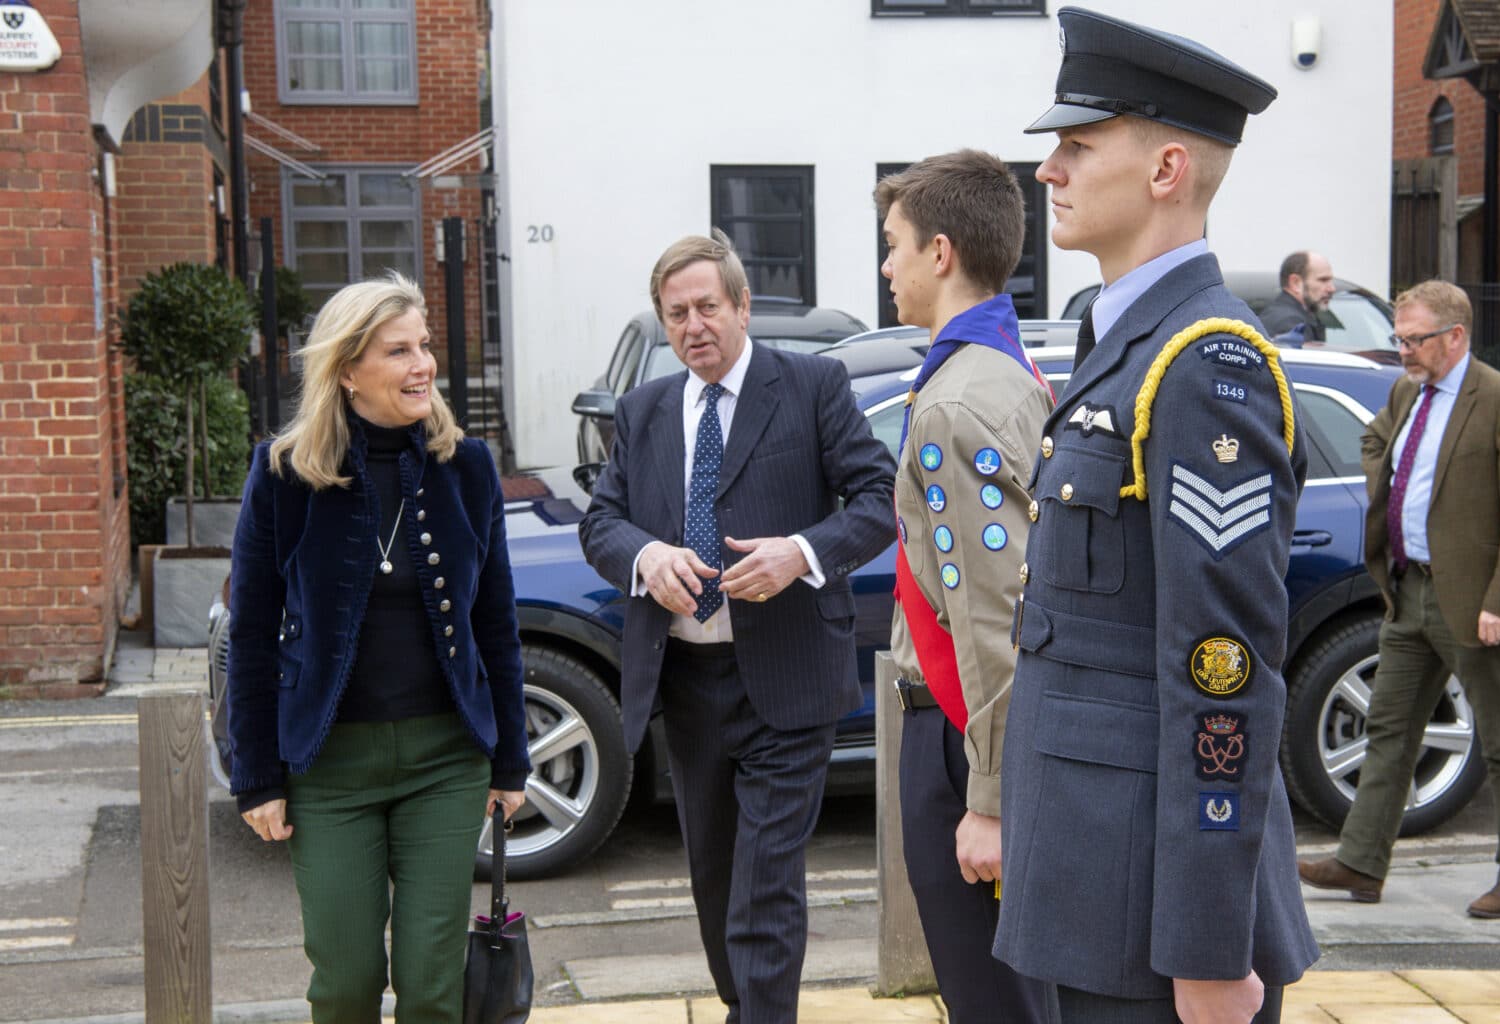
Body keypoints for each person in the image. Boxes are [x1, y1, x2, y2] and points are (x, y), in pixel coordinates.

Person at [991, 8, 1319, 1023]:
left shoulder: (1203, 362)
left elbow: (1221, 665)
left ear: (1167, 169)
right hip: (1089, 872)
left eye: (1079, 146)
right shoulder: (1121, 343)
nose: (1049, 170)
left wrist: (1208, 942)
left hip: (1154, 917)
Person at [578, 231, 895, 1024]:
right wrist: (646, 557)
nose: (694, 326)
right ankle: (742, 1005)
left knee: (765, 885)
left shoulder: (812, 385)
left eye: (708, 307)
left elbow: (880, 499)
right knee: (715, 877)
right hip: (687, 683)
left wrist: (802, 552)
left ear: (743, 306)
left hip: (787, 679)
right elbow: (602, 522)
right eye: (676, 313)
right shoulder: (645, 408)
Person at [225, 273, 530, 1024]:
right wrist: (256, 775)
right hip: (329, 771)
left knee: (432, 986)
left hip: (444, 762)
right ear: (349, 370)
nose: (423, 363)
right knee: (345, 980)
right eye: (399, 351)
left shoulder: (469, 467)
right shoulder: (283, 474)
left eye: (424, 346)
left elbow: (497, 623)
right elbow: (253, 630)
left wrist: (511, 759)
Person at [876, 150, 1054, 1024]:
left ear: (940, 253)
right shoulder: (1003, 369)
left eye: (894, 245)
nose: (887, 267)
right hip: (978, 733)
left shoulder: (953, 404)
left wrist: (988, 801)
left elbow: (991, 619)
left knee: (993, 998)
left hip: (958, 735)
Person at [1298, 280, 1500, 919]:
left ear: (1454, 337)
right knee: (1389, 729)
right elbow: (1376, 443)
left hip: (1474, 602)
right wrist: (1389, 485)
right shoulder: (1407, 392)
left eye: (1414, 339)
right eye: (1398, 339)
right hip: (1408, 592)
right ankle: (1360, 862)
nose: (1402, 350)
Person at [1259, 250, 1336, 344]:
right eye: (1323, 280)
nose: (1332, 289)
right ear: (1295, 283)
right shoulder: (1291, 325)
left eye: (1330, 280)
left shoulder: (1280, 315)